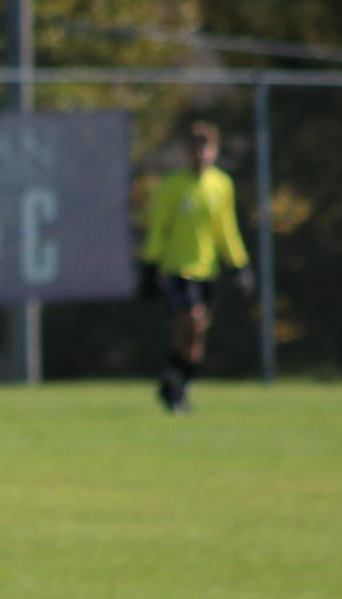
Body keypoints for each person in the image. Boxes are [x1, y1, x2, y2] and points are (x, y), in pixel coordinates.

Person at [137, 120, 252, 413]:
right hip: (177, 269)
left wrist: (239, 266)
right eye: (195, 147)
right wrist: (150, 266)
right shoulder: (172, 186)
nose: (201, 153)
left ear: (214, 150)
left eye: (206, 147)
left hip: (207, 271)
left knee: (196, 334)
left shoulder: (221, 185)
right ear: (187, 152)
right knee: (193, 320)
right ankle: (175, 382)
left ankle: (177, 382)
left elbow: (226, 229)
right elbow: (158, 229)